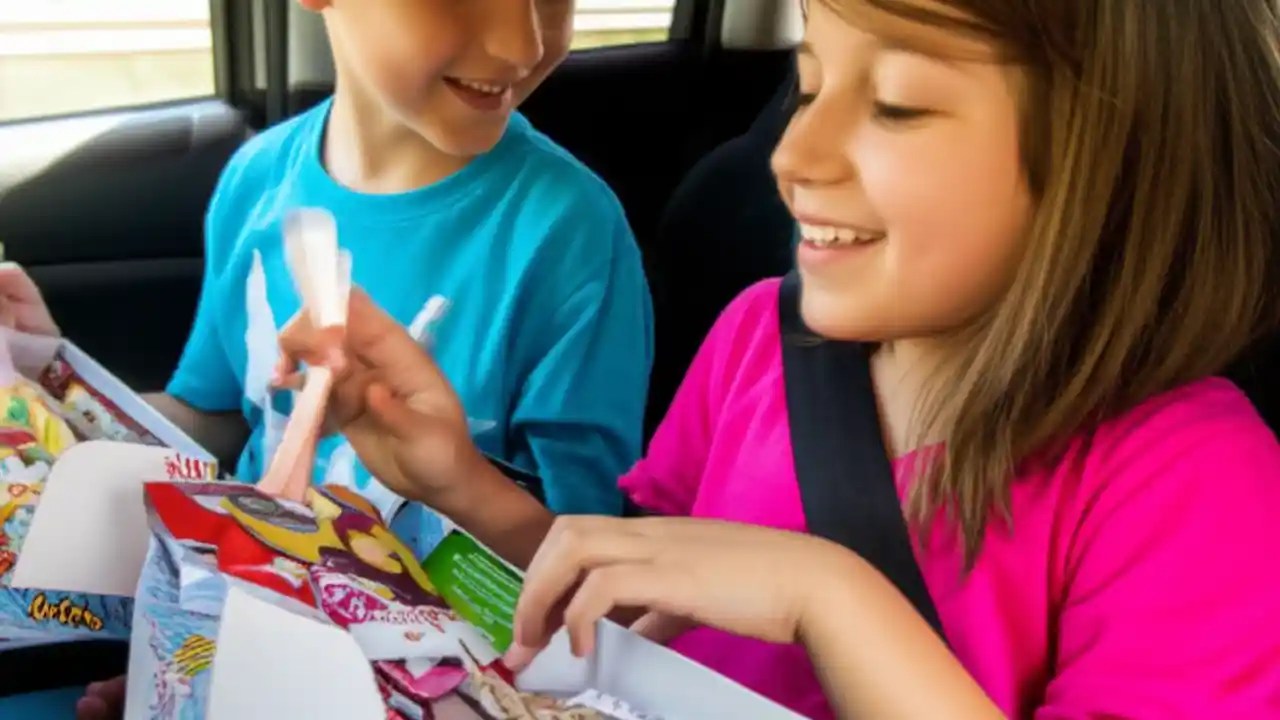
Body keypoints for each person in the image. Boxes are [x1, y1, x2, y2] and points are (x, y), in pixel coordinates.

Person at [279, 0, 1280, 717]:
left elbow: (781, 586)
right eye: (804, 82)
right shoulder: (761, 336)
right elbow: (648, 598)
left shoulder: (1194, 480)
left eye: (894, 106)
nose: (792, 155)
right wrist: (456, 481)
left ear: (1109, 163)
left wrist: (827, 598)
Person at [0, 0, 651, 717]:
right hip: (234, 612)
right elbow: (215, 418)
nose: (522, 42)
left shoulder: (570, 235)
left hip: (438, 678)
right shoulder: (259, 179)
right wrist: (49, 381)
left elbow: (584, 573)